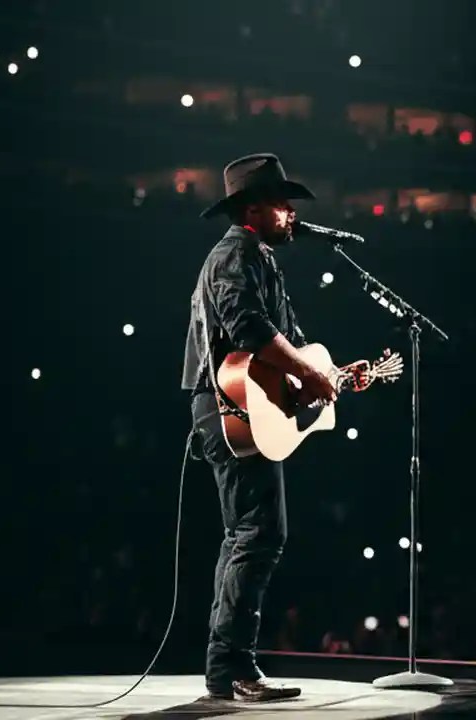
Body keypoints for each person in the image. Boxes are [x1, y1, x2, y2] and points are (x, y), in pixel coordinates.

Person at [181, 153, 337, 702]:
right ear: (252, 210)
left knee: (249, 535)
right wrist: (307, 370)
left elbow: (283, 346)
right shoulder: (232, 255)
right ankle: (231, 668)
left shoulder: (261, 258)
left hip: (247, 403)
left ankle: (228, 668)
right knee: (257, 534)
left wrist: (326, 376)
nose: (291, 213)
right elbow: (248, 329)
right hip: (228, 405)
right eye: (280, 203)